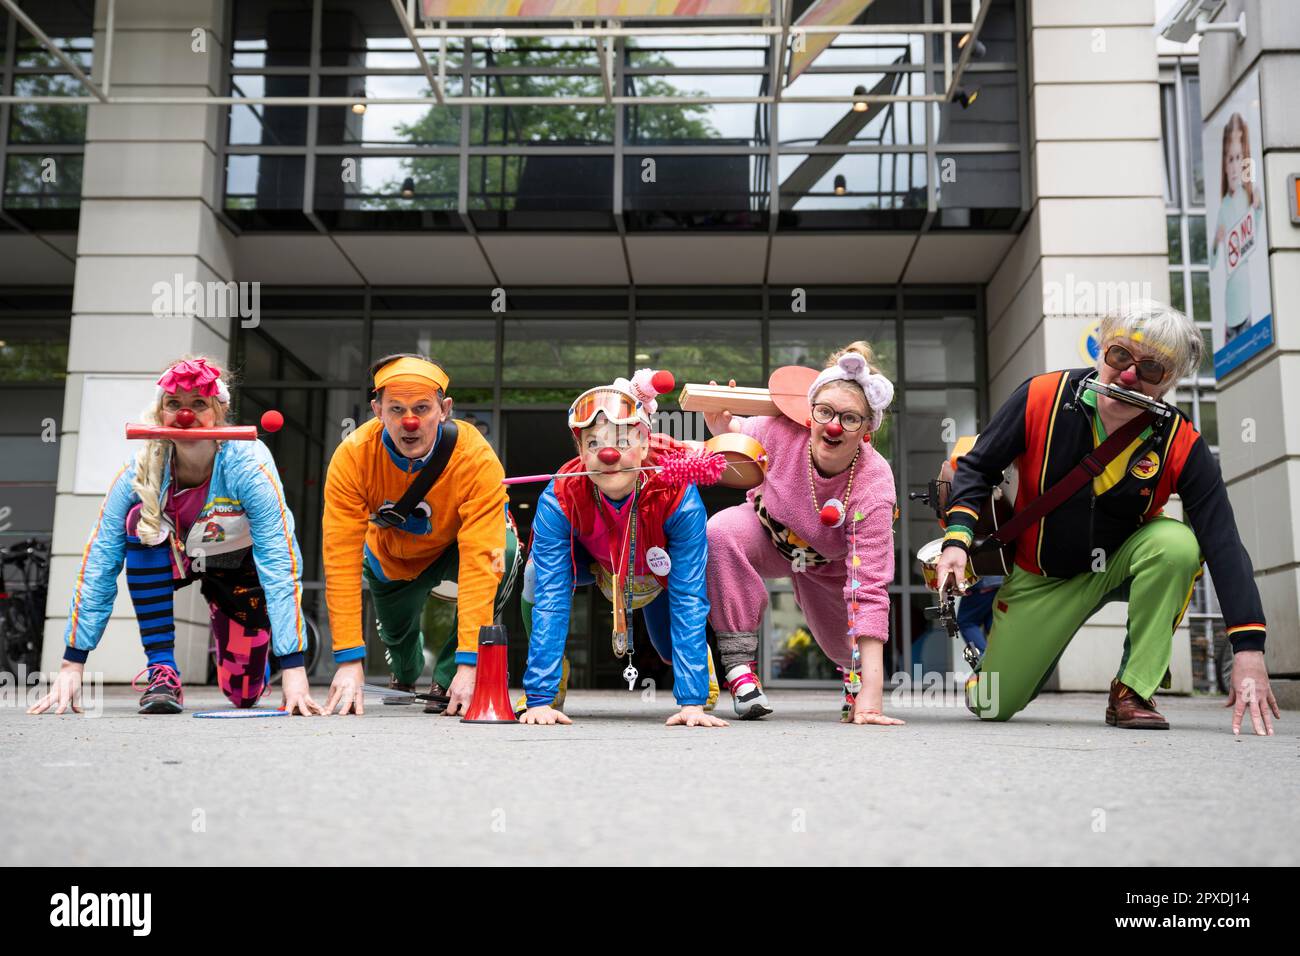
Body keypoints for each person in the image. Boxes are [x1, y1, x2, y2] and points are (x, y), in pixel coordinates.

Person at [934, 301, 1278, 734]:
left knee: (1178, 545)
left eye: (1150, 370)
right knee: (991, 704)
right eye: (1120, 356)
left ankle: (1133, 689)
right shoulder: (1042, 395)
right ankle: (1019, 663)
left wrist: (1249, 648)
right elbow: (978, 467)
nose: (1129, 376)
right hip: (1040, 574)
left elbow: (1222, 540)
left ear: (1167, 384)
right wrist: (957, 540)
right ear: (1102, 352)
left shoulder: (1181, 442)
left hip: (1119, 564)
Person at [29, 357, 318, 716]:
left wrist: (293, 668)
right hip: (177, 556)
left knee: (244, 695)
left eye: (199, 404)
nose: (185, 415)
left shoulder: (249, 467)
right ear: (160, 412)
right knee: (137, 522)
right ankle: (161, 669)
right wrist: (73, 662)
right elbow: (100, 560)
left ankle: (232, 620)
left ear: (218, 410)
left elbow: (278, 559)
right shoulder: (141, 470)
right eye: (174, 405)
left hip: (236, 565)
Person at [704, 343, 902, 725]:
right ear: (810, 415)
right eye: (825, 412)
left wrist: (873, 700)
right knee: (719, 532)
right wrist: (720, 427)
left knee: (839, 645)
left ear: (866, 430)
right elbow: (737, 434)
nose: (833, 426)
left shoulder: (874, 486)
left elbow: (870, 588)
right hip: (766, 532)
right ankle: (740, 670)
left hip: (828, 564)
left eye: (849, 419)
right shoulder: (780, 430)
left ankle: (854, 677)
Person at [518, 370, 726, 728]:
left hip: (656, 571)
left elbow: (688, 595)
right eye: (594, 443)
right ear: (580, 451)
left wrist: (691, 703)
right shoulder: (559, 498)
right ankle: (550, 680)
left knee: (666, 648)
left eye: (622, 440)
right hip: (597, 565)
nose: (608, 454)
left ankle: (695, 671)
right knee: (537, 575)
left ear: (644, 444)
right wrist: (538, 699)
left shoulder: (677, 496)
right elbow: (553, 595)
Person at [321, 354, 518, 716]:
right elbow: (340, 558)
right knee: (398, 639)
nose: (409, 422)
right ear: (377, 410)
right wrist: (348, 659)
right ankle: (406, 670)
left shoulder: (475, 457)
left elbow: (481, 557)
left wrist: (470, 664)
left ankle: (448, 677)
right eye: (396, 409)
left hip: (452, 548)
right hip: (392, 559)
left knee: (503, 551)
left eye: (422, 408)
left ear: (444, 409)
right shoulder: (352, 458)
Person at [1211, 113, 1263, 343]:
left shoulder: (1249, 197)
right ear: (1224, 163)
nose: (1233, 166)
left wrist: (1258, 209)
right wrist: (1216, 241)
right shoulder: (1223, 205)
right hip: (1229, 308)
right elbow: (1212, 262)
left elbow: (1258, 240)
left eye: (1238, 158)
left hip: (1249, 305)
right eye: (1229, 159)